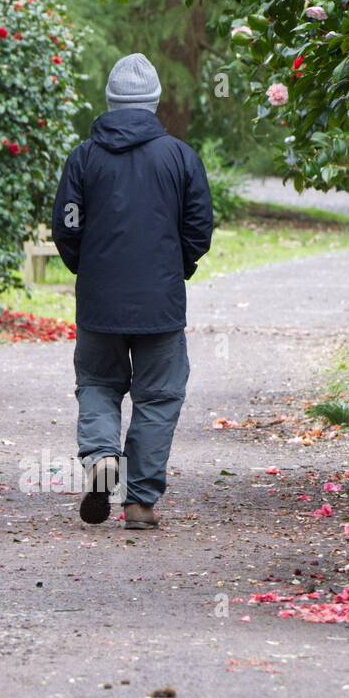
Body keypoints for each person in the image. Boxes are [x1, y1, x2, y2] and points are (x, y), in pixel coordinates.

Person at [51, 52, 213, 530]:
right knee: (159, 396)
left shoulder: (83, 157)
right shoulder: (181, 157)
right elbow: (198, 226)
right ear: (154, 103)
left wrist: (88, 268)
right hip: (160, 305)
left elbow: (67, 225)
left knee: (99, 384)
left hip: (99, 303)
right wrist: (174, 268)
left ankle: (102, 457)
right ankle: (140, 502)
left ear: (111, 101)